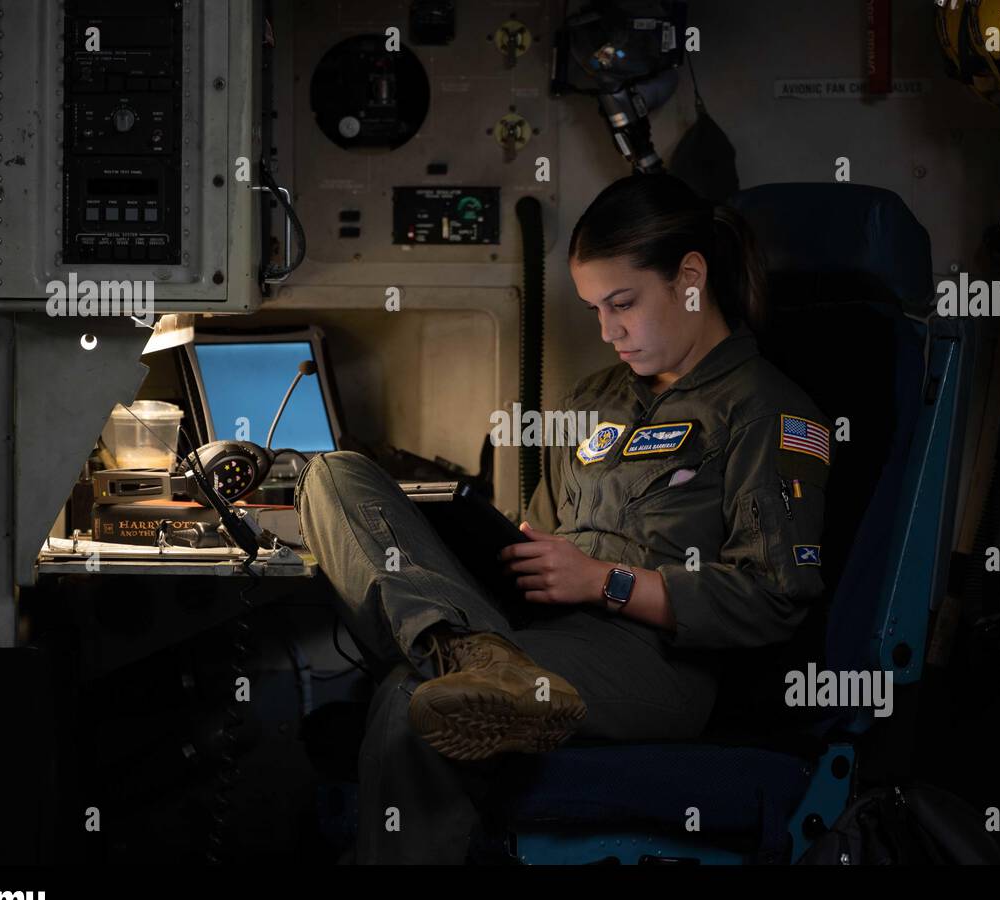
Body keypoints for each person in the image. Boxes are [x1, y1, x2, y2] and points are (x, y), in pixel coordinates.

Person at [293, 173, 834, 864]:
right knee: (331, 472)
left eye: (623, 305)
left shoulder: (766, 412)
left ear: (691, 279)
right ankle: (468, 654)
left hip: (653, 663)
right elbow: (542, 534)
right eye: (594, 311)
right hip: (535, 631)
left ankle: (461, 660)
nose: (608, 332)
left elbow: (775, 597)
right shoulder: (593, 399)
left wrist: (603, 582)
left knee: (410, 699)